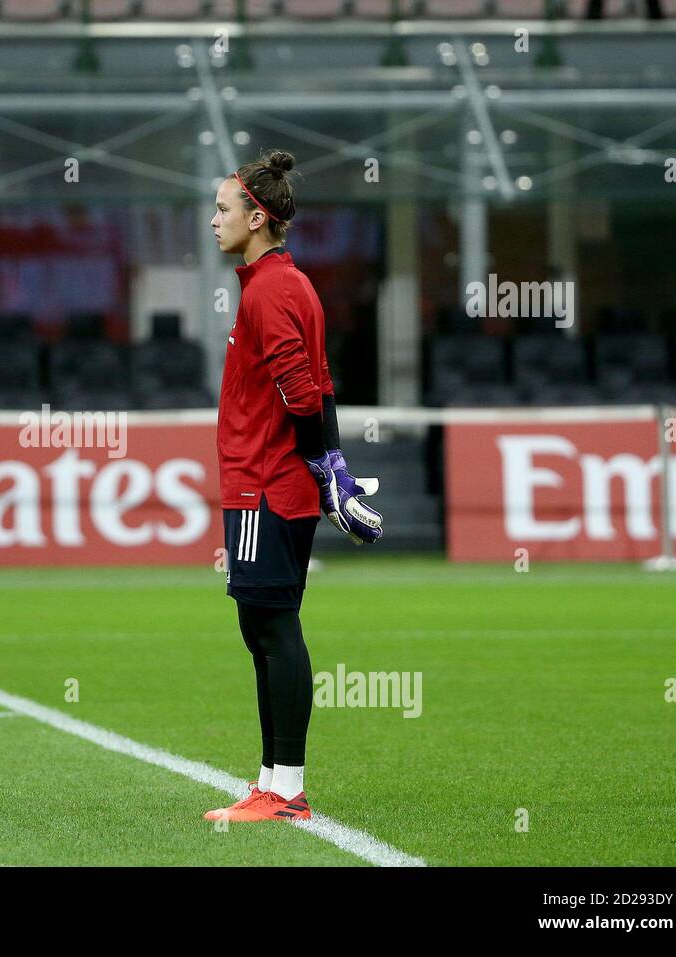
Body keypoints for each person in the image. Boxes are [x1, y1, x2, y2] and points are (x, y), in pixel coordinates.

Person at [203, 149, 383, 823]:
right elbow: (321, 385)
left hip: (265, 486)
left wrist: (324, 471)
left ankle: (286, 790)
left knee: (273, 629)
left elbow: (302, 391)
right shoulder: (287, 283)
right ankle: (273, 782)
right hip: (273, 483)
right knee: (266, 630)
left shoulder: (272, 290)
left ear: (256, 216)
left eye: (223, 209)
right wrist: (330, 465)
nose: (213, 220)